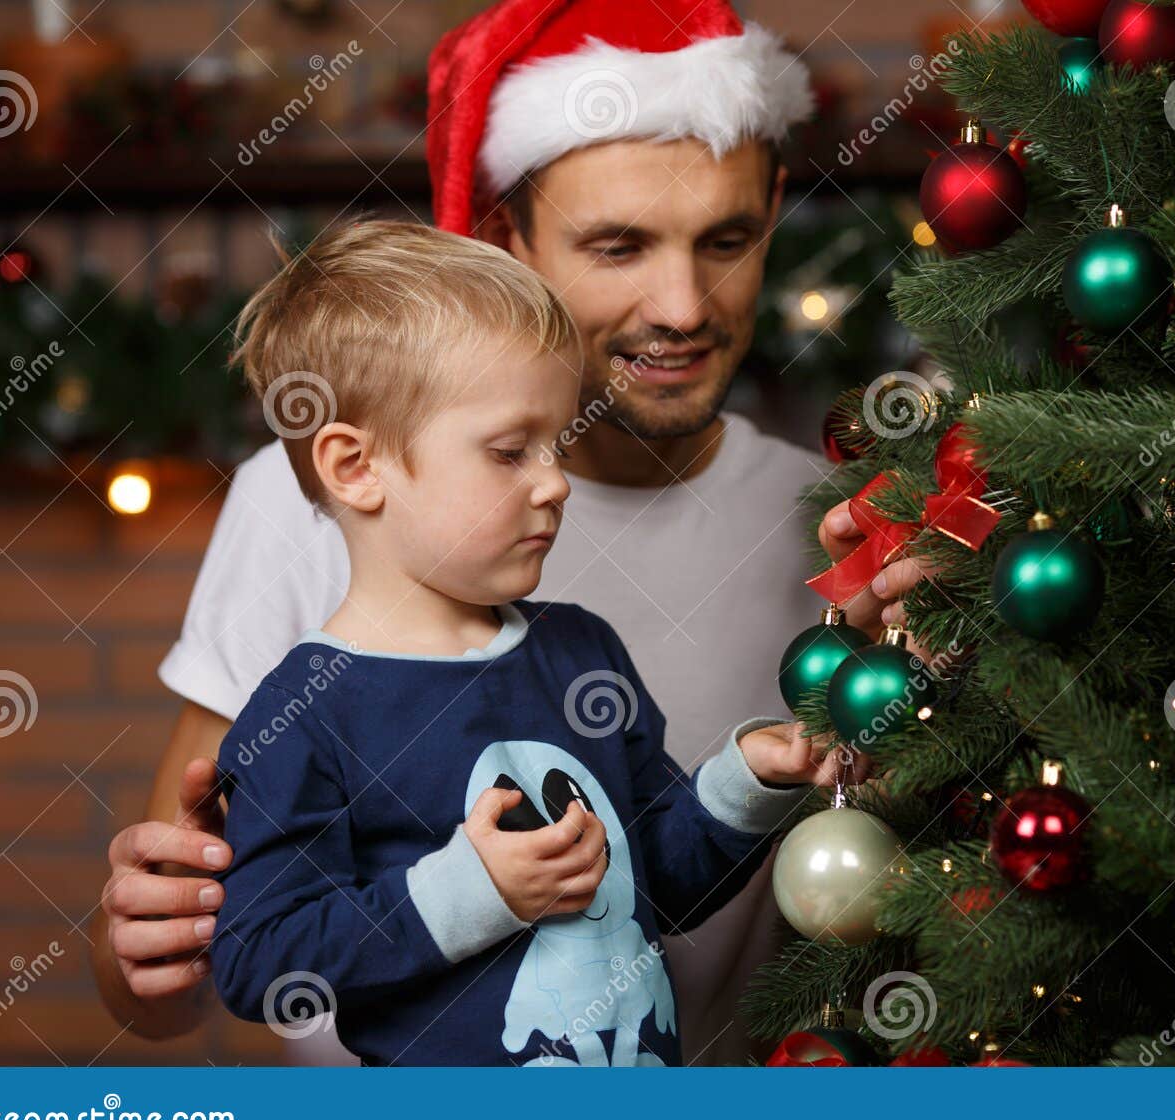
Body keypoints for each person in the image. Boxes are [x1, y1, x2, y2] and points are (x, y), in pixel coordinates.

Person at [94, 0, 931, 1064]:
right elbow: (178, 976)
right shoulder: (297, 501)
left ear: (774, 210)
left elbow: (686, 869)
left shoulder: (829, 523)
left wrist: (757, 772)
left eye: (725, 239)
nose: (680, 303)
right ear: (504, 234)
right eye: (616, 244)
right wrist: (153, 946)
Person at [209, 220, 853, 1065]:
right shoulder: (308, 713)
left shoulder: (580, 651)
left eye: (555, 444)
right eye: (510, 451)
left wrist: (744, 781)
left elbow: (651, 879)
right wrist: (469, 894)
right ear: (355, 466)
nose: (553, 481)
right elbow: (260, 959)